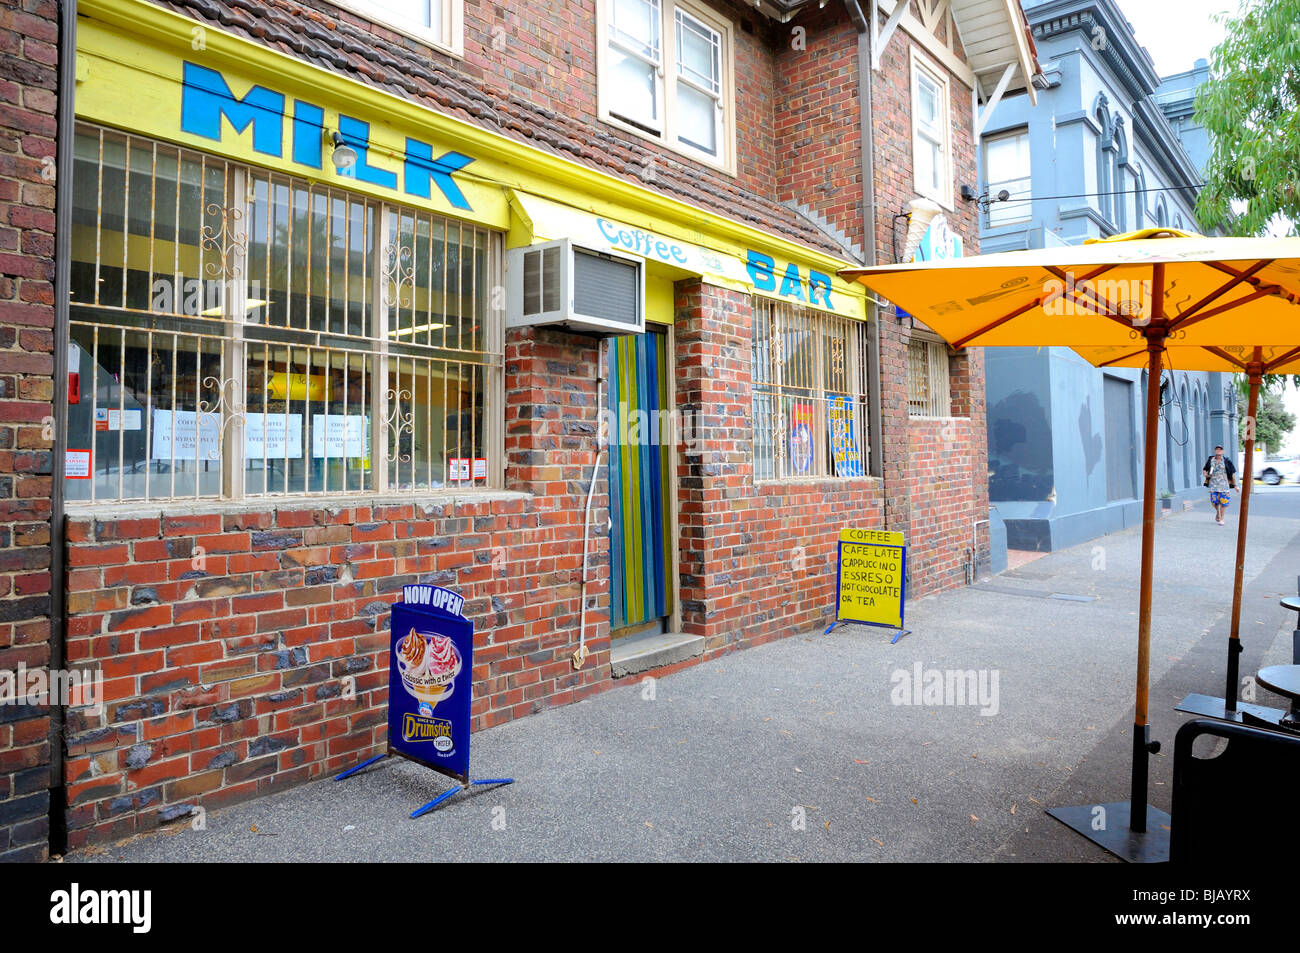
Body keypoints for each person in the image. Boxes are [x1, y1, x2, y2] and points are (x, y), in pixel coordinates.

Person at [1202, 445, 1238, 525]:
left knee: (1223, 501)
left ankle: (1222, 519)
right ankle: (1218, 512)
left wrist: (1235, 485)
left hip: (1224, 484)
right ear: (1214, 451)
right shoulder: (1211, 460)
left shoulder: (1227, 461)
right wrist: (1206, 474)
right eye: (1217, 449)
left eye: (1220, 449)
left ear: (1223, 451)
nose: (1218, 450)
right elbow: (1205, 469)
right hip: (1213, 484)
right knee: (1214, 501)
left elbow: (1232, 474)